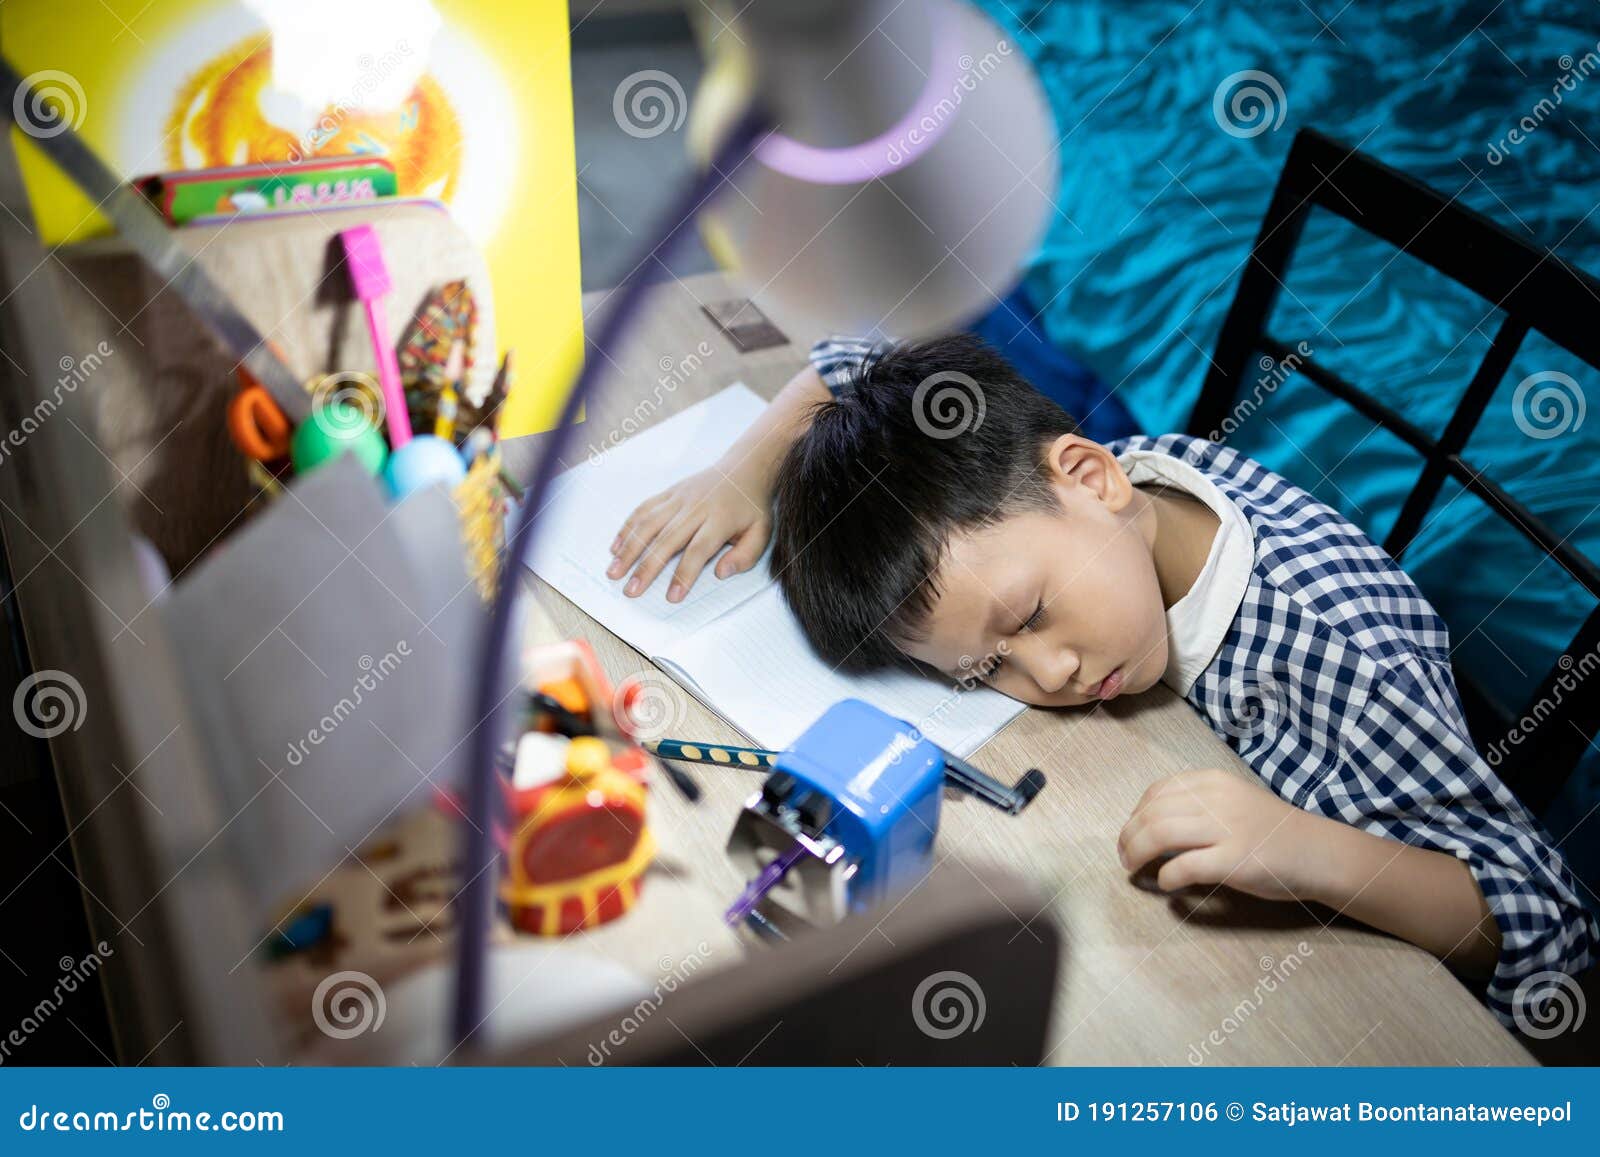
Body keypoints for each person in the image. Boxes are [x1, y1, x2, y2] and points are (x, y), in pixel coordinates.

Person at [607, 333, 1595, 1028]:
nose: (1054, 673)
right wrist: (746, 468)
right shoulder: (1075, 495)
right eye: (988, 670)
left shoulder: (1340, 662)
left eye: (1029, 616)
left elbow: (1556, 948)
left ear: (1092, 477)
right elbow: (860, 356)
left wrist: (1309, 848)